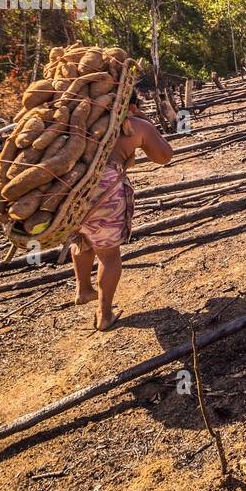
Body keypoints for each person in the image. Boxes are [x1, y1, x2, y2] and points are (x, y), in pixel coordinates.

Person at [72, 90, 173, 330]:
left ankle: (84, 289)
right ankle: (104, 315)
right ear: (131, 106)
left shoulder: (76, 124)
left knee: (83, 239)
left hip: (70, 190)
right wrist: (145, 123)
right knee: (109, 255)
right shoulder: (136, 125)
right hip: (103, 192)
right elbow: (164, 156)